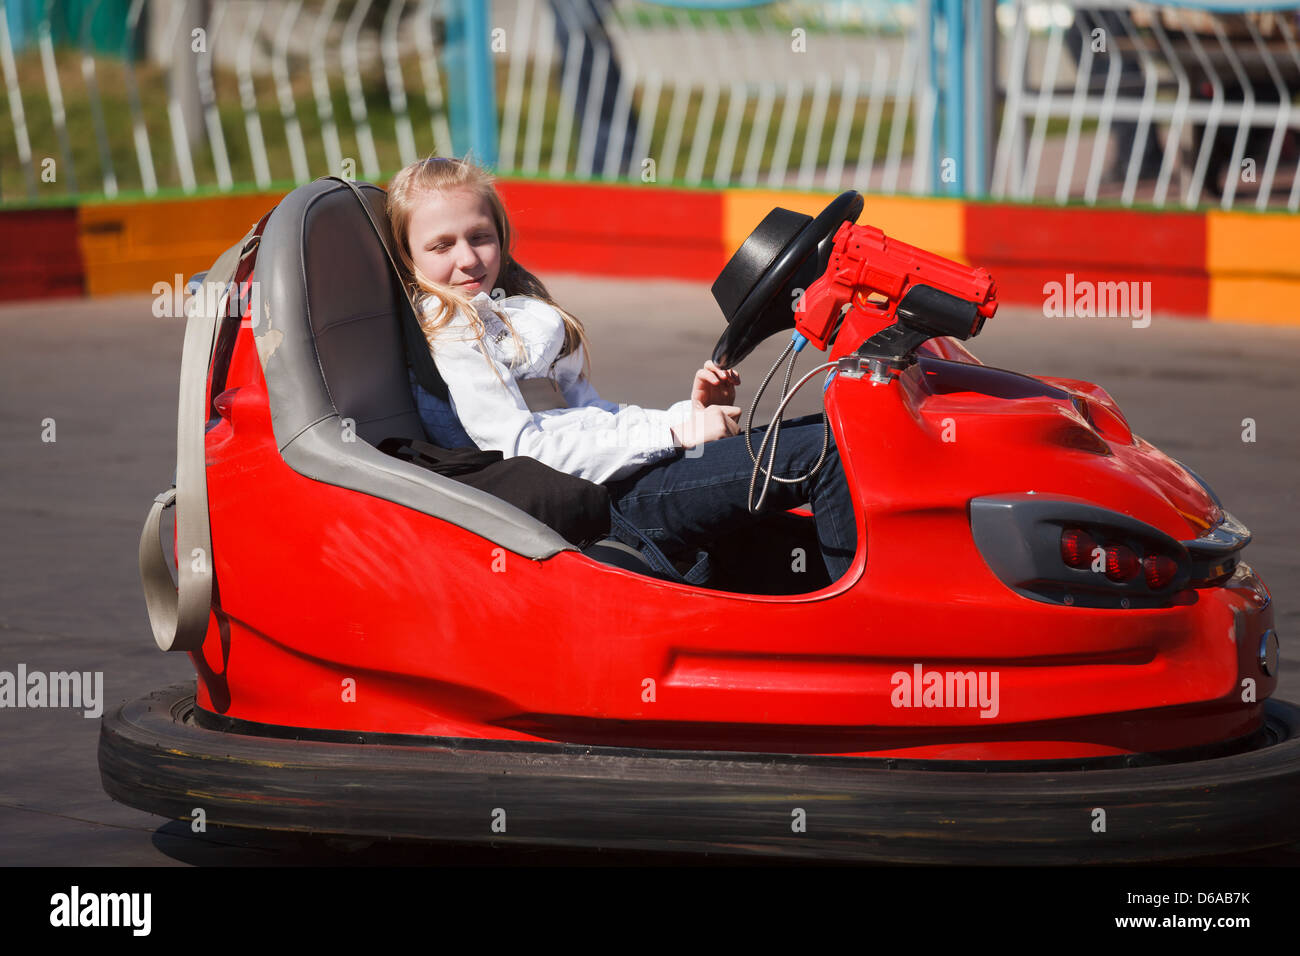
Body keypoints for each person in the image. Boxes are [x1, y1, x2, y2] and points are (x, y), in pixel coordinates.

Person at [385, 155, 858, 582]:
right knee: (829, 451)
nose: (468, 259)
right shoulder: (453, 332)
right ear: (410, 257)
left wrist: (682, 416)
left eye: (480, 237)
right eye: (441, 246)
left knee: (839, 432)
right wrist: (675, 436)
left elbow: (594, 416)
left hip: (623, 479)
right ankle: (865, 634)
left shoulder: (516, 316)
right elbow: (524, 452)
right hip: (607, 505)